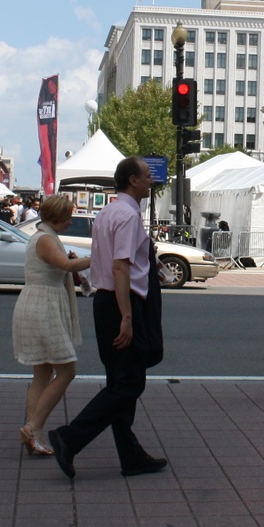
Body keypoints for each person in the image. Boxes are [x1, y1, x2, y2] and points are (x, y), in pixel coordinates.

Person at [48, 157, 168, 479]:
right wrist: (127, 316)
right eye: (146, 176)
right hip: (121, 301)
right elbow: (120, 267)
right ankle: (70, 437)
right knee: (129, 383)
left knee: (120, 380)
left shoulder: (108, 213)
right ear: (132, 180)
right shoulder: (127, 216)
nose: (150, 181)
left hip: (105, 300)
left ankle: (130, 456)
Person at [12, 194, 91, 456]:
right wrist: (98, 256)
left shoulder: (44, 236)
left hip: (37, 305)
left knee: (42, 373)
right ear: (56, 217)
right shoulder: (45, 239)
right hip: (43, 308)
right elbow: (67, 266)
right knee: (66, 371)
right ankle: (33, 428)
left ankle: (35, 434)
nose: (71, 221)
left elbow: (61, 264)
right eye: (68, 216)